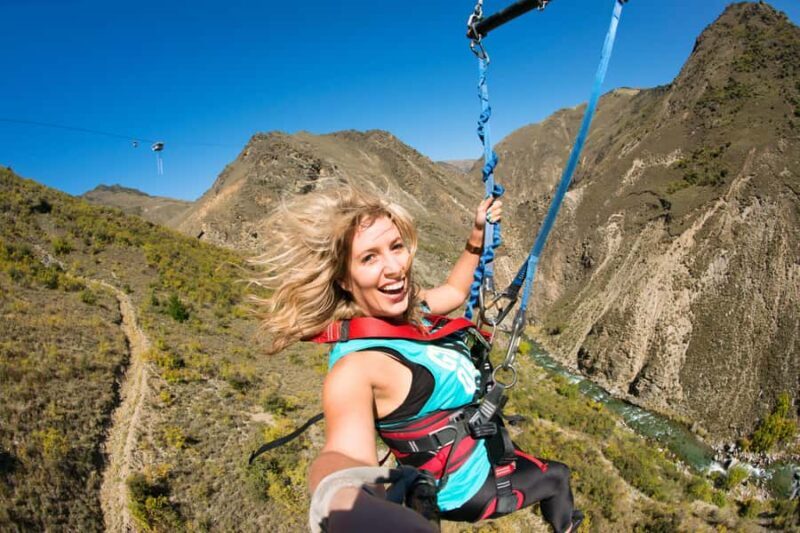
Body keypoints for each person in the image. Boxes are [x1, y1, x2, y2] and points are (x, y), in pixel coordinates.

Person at [251, 181, 580, 532]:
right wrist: (346, 506)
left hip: (476, 454)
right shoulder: (356, 369)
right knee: (558, 477)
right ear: (344, 279)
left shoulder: (404, 309)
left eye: (396, 247)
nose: (394, 267)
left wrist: (477, 234)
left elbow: (453, 292)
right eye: (369, 257)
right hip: (465, 489)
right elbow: (341, 457)